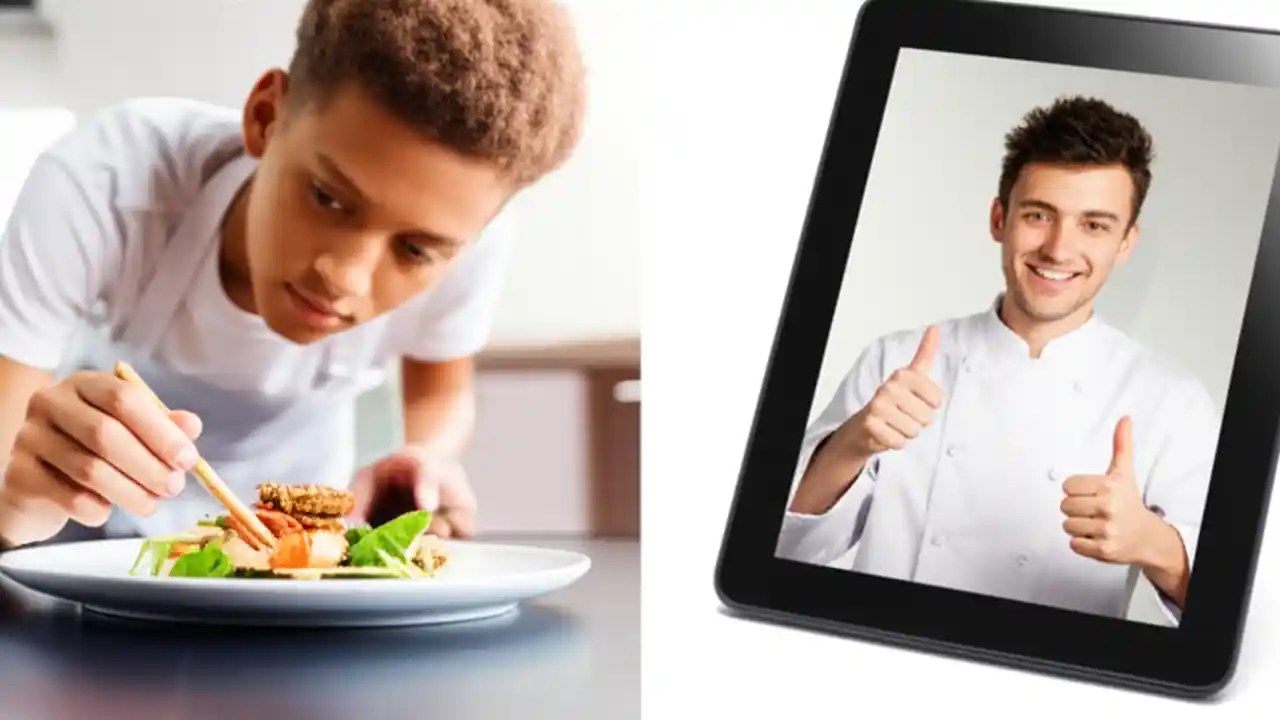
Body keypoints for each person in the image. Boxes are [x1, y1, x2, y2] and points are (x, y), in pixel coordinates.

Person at [0, 0, 586, 550]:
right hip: (91, 519)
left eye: (413, 250)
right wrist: (19, 500)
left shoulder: (466, 238)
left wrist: (425, 456)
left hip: (301, 545)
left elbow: (440, 388)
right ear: (266, 117)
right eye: (328, 198)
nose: (345, 279)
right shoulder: (107, 180)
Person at [776, 96, 1218, 625]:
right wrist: (853, 442)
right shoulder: (897, 361)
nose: (1058, 248)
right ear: (998, 218)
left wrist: (1154, 543)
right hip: (889, 655)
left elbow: (1230, 614)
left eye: (1094, 226)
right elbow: (784, 551)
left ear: (1125, 244)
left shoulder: (1170, 399)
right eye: (1038, 215)